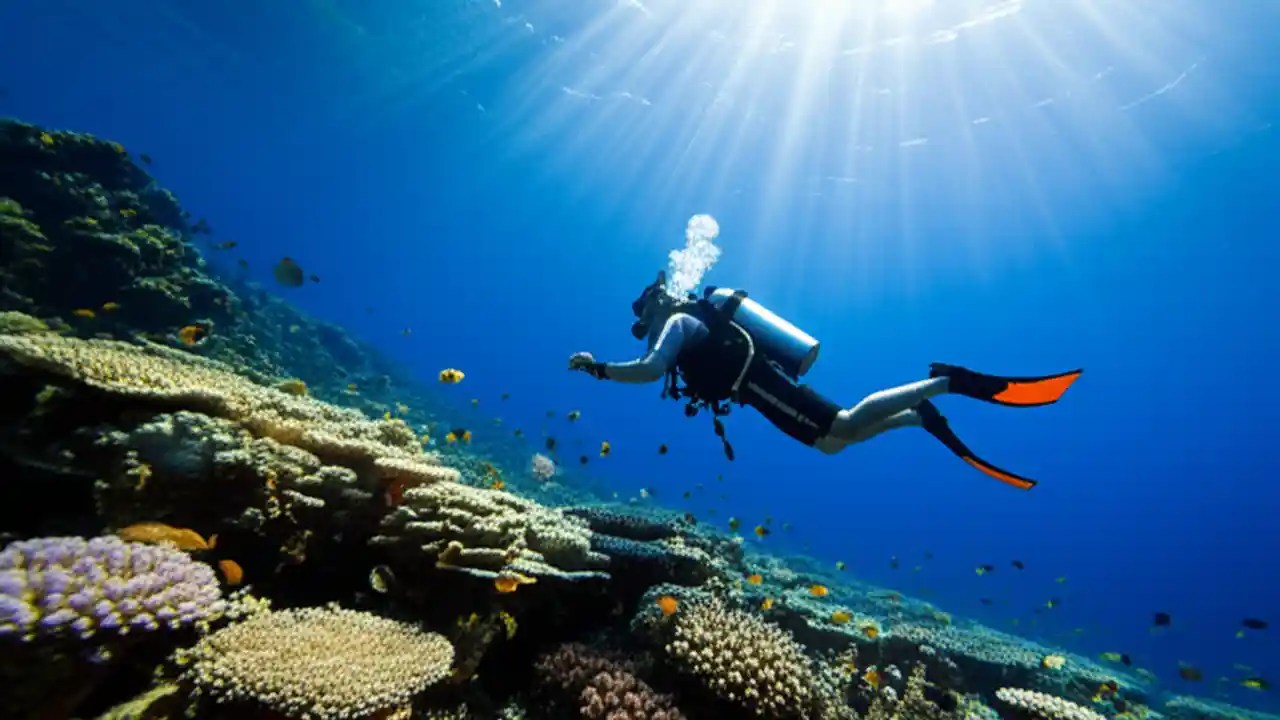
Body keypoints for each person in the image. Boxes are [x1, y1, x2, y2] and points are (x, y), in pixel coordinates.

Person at [568, 272, 1080, 489]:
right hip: (756, 392)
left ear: (659, 301)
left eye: (644, 314)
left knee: (845, 422)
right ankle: (915, 417)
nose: (645, 324)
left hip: (760, 385)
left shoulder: (679, 322)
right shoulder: (684, 323)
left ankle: (945, 383)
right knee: (831, 444)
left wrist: (599, 369)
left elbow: (651, 369)